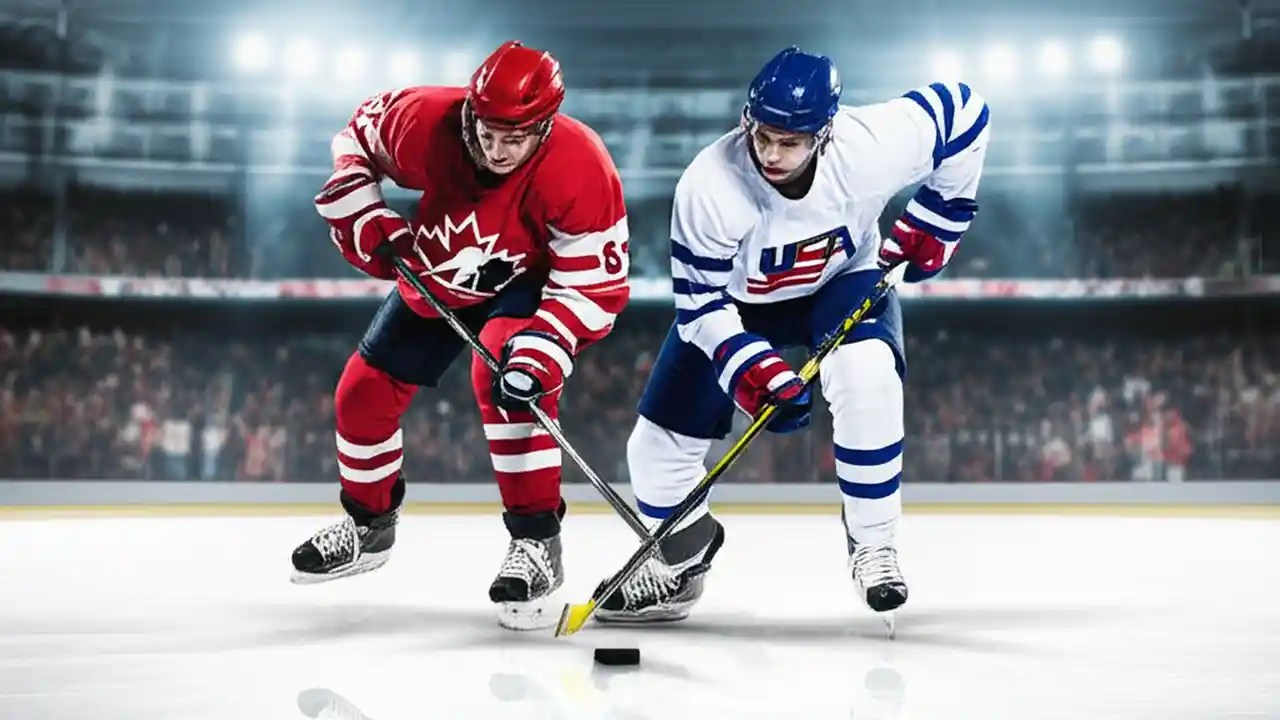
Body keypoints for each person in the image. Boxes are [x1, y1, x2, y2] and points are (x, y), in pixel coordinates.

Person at [597, 46, 989, 624]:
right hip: (736, 306)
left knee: (867, 376)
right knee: (652, 451)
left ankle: (874, 545)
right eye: (763, 136)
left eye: (791, 142)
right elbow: (701, 306)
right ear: (746, 120)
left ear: (825, 135)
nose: (772, 155)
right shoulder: (708, 185)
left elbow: (965, 112)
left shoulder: (871, 146)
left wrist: (942, 213)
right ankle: (681, 559)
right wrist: (751, 368)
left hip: (841, 281)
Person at [289, 41, 631, 631]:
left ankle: (536, 544)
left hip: (529, 284)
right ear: (471, 110)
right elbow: (353, 142)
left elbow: (593, 286)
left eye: (514, 138)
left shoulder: (581, 165)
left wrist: (543, 349)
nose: (496, 150)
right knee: (360, 394)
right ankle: (369, 525)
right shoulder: (422, 120)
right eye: (487, 132)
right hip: (438, 273)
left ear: (545, 126)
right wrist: (363, 209)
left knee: (504, 379)